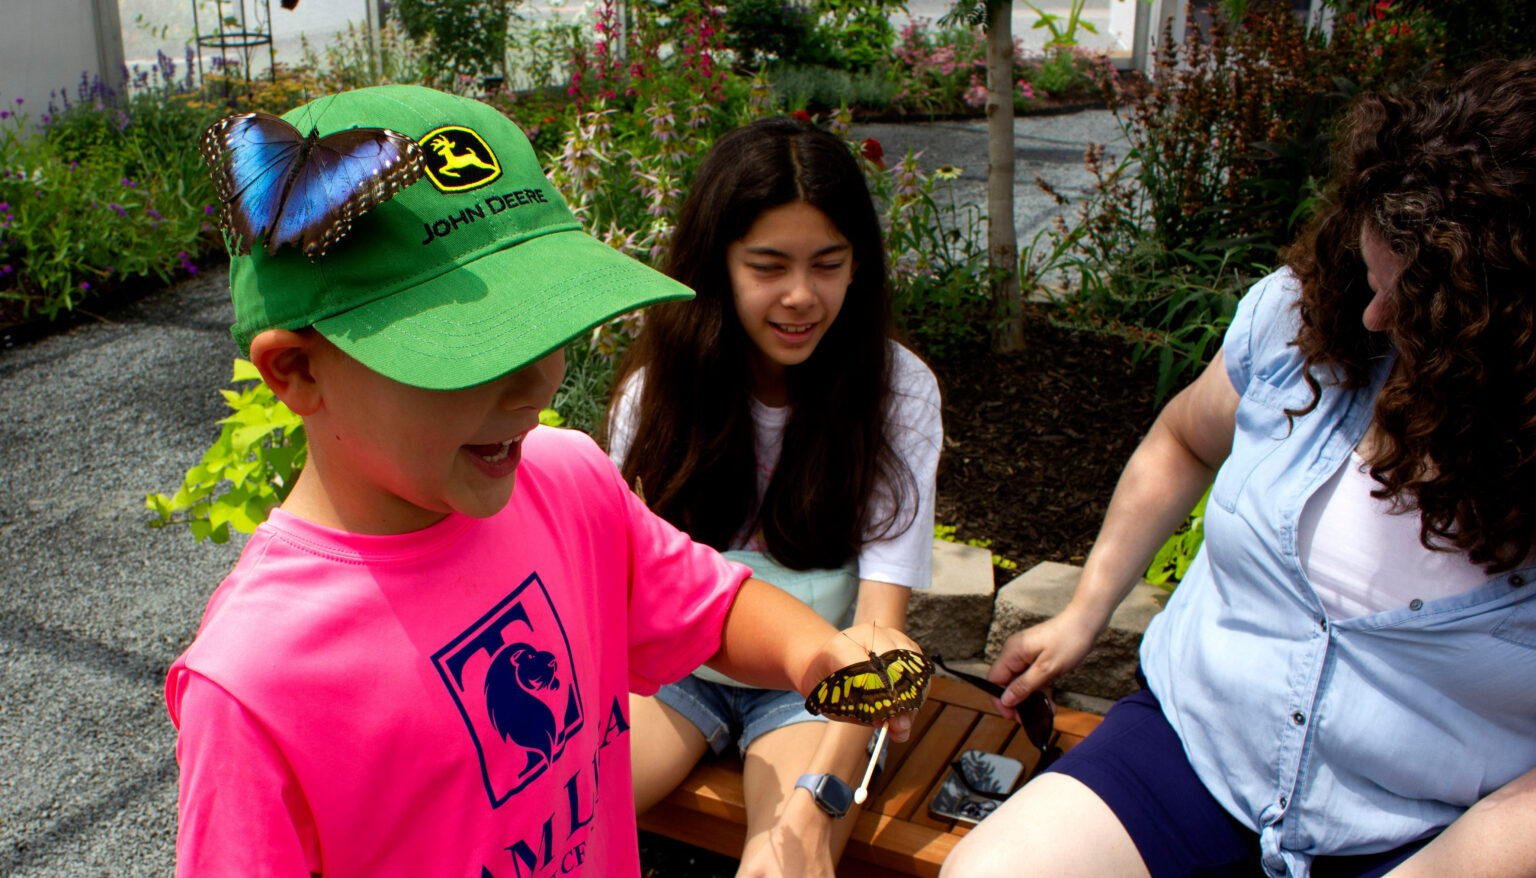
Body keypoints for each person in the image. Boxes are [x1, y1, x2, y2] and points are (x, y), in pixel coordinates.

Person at [164, 85, 918, 878]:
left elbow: (711, 604)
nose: (534, 388)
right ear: (297, 369)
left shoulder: (567, 484)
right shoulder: (255, 688)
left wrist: (813, 654)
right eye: (468, 349)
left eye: (550, 327)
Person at [943, 58, 1536, 878]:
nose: (1371, 317)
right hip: (1193, 752)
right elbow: (1182, 441)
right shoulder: (1301, 318)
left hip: (1431, 837)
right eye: (1372, 277)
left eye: (1416, 309)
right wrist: (1086, 609)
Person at [603, 116, 943, 876]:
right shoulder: (656, 394)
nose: (800, 296)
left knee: (787, 858)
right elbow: (621, 589)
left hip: (818, 688)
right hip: (677, 669)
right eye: (768, 266)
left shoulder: (898, 393)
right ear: (716, 263)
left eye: (828, 264)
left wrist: (816, 804)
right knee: (561, 816)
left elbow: (877, 630)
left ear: (860, 265)